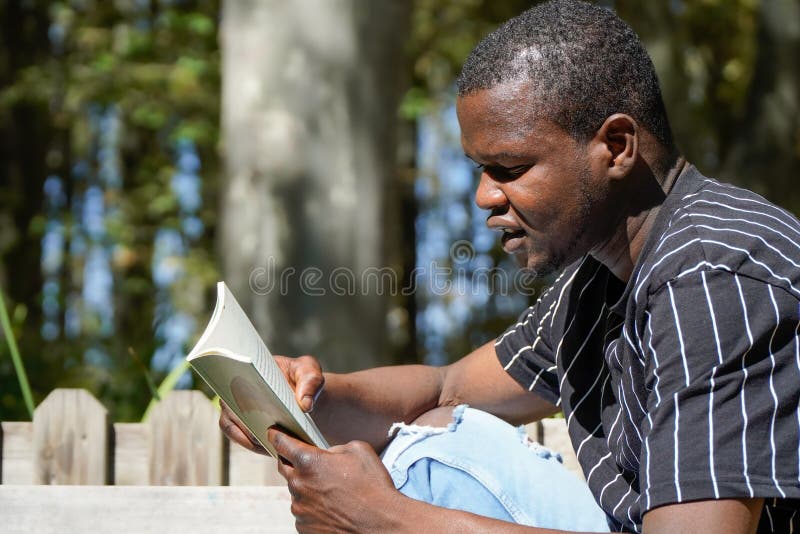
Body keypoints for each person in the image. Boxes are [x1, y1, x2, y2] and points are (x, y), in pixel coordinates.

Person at [220, 1, 800, 532]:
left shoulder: (711, 279)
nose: (483, 197)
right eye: (479, 167)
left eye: (510, 167)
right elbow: (444, 389)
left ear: (617, 147)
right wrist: (299, 398)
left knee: (425, 465)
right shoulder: (598, 283)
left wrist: (386, 520)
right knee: (437, 435)